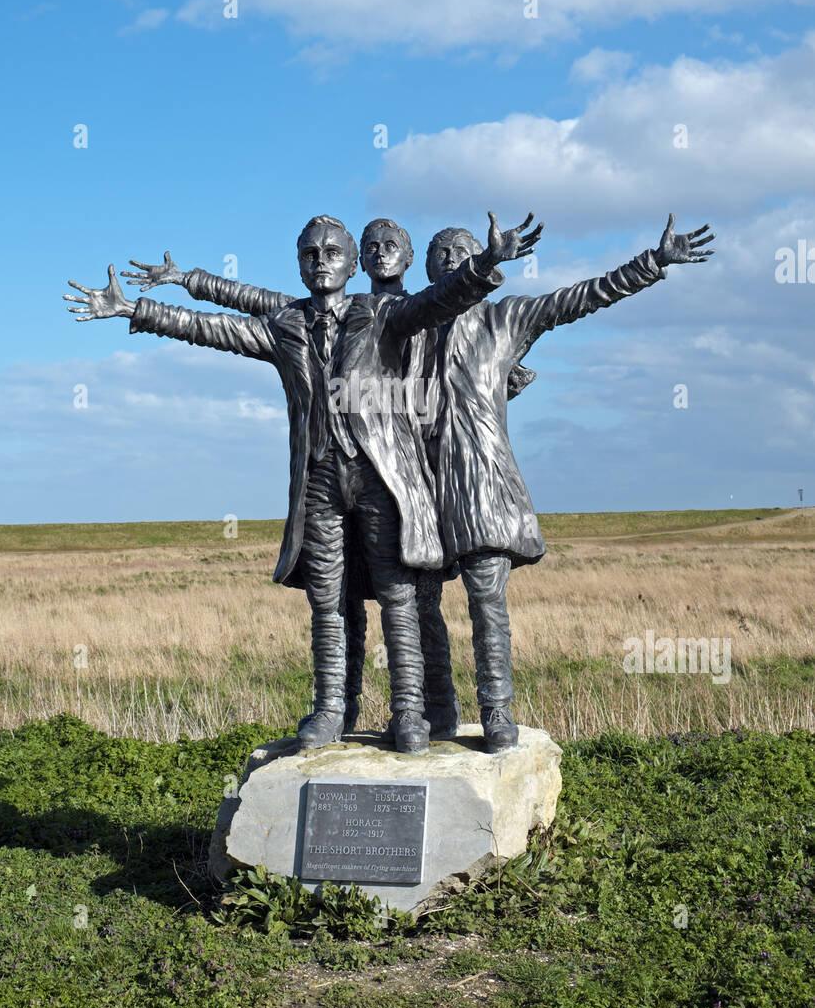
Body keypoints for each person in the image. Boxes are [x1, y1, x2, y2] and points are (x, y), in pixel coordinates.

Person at [65, 211, 538, 754]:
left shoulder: (381, 314)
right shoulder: (285, 325)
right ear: (298, 263)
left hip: (381, 473)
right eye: (310, 254)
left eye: (332, 253)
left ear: (351, 263)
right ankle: (331, 710)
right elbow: (214, 327)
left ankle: (410, 712)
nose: (320, 263)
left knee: (398, 594)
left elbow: (440, 301)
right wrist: (135, 309)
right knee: (328, 597)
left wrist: (486, 263)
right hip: (319, 476)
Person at [418, 212, 715, 750]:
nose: (448, 262)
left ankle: (497, 712)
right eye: (437, 256)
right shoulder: (409, 331)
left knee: (486, 601)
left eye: (458, 252)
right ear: (427, 272)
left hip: (480, 481)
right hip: (418, 484)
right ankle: (438, 709)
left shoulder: (504, 319)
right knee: (419, 604)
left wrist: (651, 263)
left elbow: (579, 298)